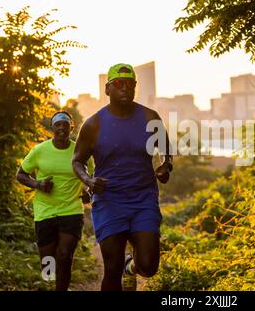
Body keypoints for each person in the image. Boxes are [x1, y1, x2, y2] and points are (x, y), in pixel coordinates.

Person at [72, 63, 173, 291]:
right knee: (112, 266)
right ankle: (122, 267)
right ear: (107, 89)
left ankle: (132, 266)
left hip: (143, 199)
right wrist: (88, 180)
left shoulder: (150, 117)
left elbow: (166, 150)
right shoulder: (93, 124)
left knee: (148, 266)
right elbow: (77, 160)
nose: (125, 88)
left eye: (130, 84)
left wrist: (165, 166)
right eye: (118, 84)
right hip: (109, 201)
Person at [16, 111, 88, 291]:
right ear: (52, 128)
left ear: (72, 127)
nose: (62, 128)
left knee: (64, 256)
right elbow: (21, 174)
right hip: (45, 211)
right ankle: (52, 282)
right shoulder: (39, 151)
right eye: (58, 124)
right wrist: (38, 184)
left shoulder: (80, 151)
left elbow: (90, 176)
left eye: (65, 124)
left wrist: (89, 190)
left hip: (71, 210)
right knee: (48, 266)